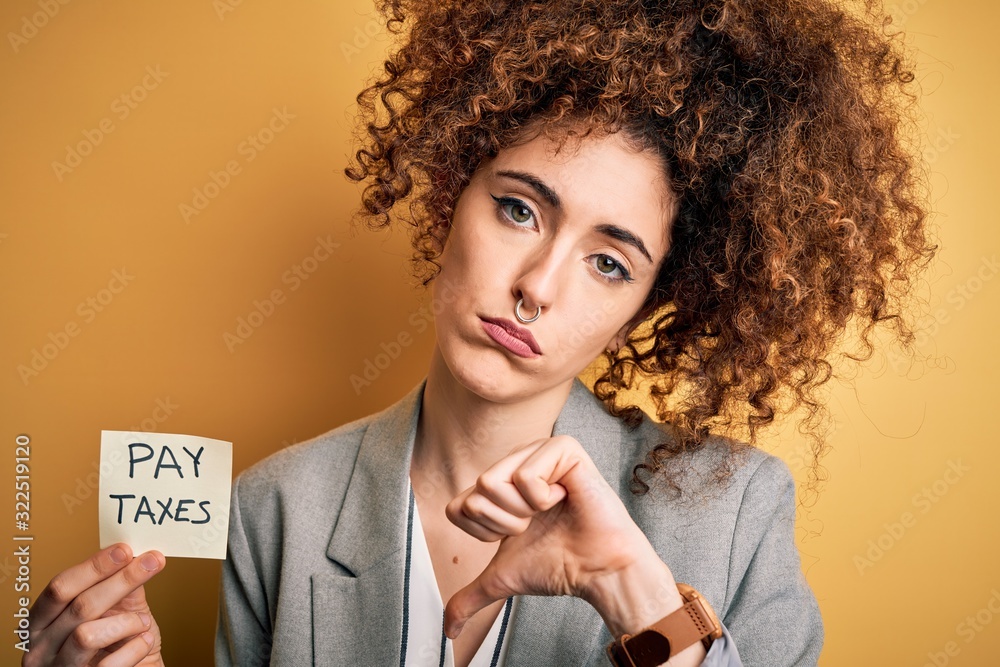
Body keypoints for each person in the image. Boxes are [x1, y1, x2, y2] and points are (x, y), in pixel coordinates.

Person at [24, 0, 935, 665]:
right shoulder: (277, 511)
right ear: (449, 192)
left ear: (650, 308)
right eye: (517, 209)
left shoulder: (734, 512)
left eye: (608, 262)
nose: (537, 286)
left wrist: (636, 596)